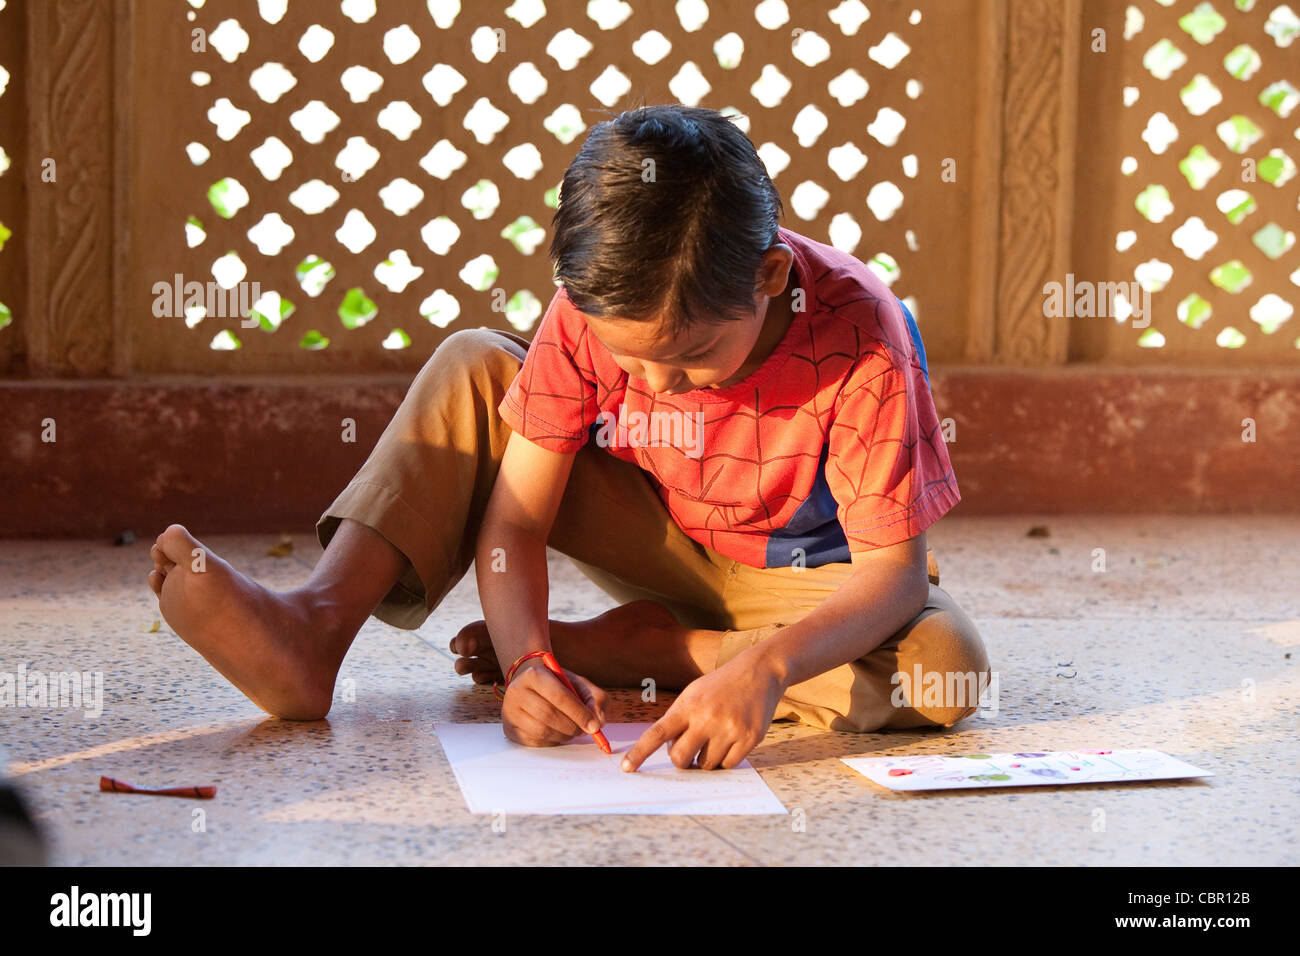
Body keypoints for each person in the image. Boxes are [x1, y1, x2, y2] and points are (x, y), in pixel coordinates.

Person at [147, 104, 991, 773]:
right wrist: (524, 664)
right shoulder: (589, 311)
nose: (657, 386)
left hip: (808, 580)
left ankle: (657, 648)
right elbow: (516, 525)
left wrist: (765, 670)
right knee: (475, 364)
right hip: (652, 531)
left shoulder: (860, 331)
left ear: (770, 278)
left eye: (694, 356)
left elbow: (891, 579)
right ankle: (315, 625)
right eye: (632, 357)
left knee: (943, 663)